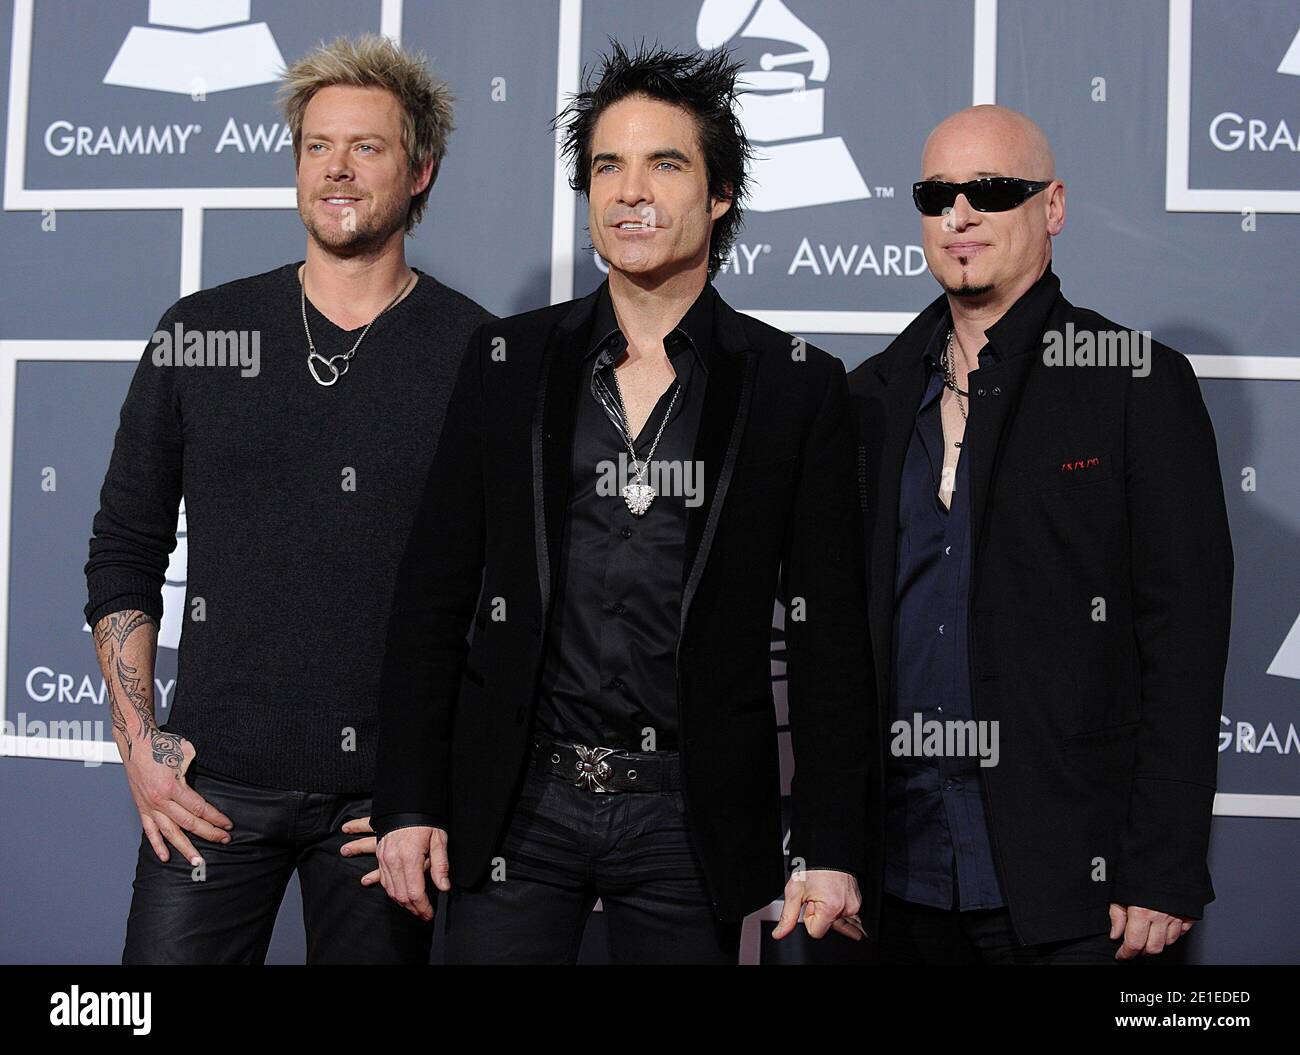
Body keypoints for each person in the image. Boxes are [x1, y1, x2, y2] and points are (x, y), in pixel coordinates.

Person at [370, 43, 873, 964]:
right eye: (608, 165)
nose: (630, 190)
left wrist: (833, 841)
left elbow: (829, 636)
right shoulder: (506, 362)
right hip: (521, 801)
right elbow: (433, 593)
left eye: (665, 163)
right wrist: (408, 798)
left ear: (720, 195)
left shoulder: (796, 387)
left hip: (690, 816)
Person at [84, 34, 492, 964]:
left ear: (421, 169)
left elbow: (498, 593)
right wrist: (142, 743)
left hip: (381, 809)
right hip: (209, 787)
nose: (336, 169)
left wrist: (433, 790)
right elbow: (123, 551)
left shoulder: (479, 352)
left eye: (367, 147)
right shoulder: (200, 332)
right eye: (317, 146)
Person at [848, 105, 1233, 964]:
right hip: (893, 877)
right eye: (936, 193)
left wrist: (1163, 862)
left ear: (1051, 206)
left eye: (991, 190)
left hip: (1073, 884)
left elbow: (1186, 638)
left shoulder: (1137, 384)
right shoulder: (868, 396)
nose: (960, 214)